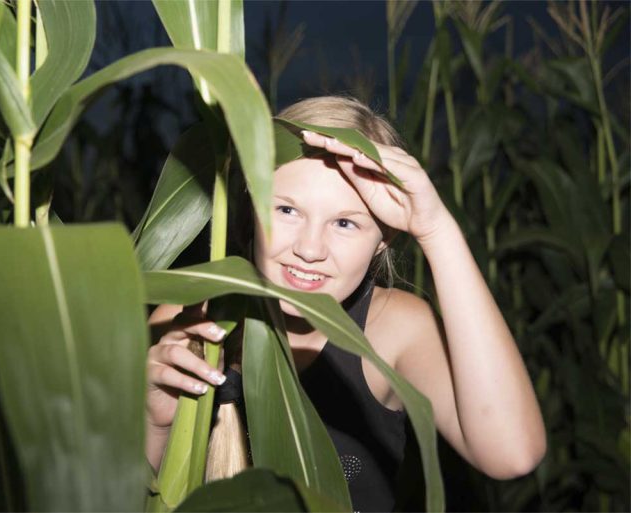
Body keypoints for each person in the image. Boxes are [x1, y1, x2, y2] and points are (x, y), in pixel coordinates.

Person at [145, 96, 546, 511]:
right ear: (250, 204)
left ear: (383, 239)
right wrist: (153, 422)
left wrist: (436, 229)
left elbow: (512, 454)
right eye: (286, 209)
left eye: (344, 222)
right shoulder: (189, 320)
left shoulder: (395, 329)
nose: (310, 248)